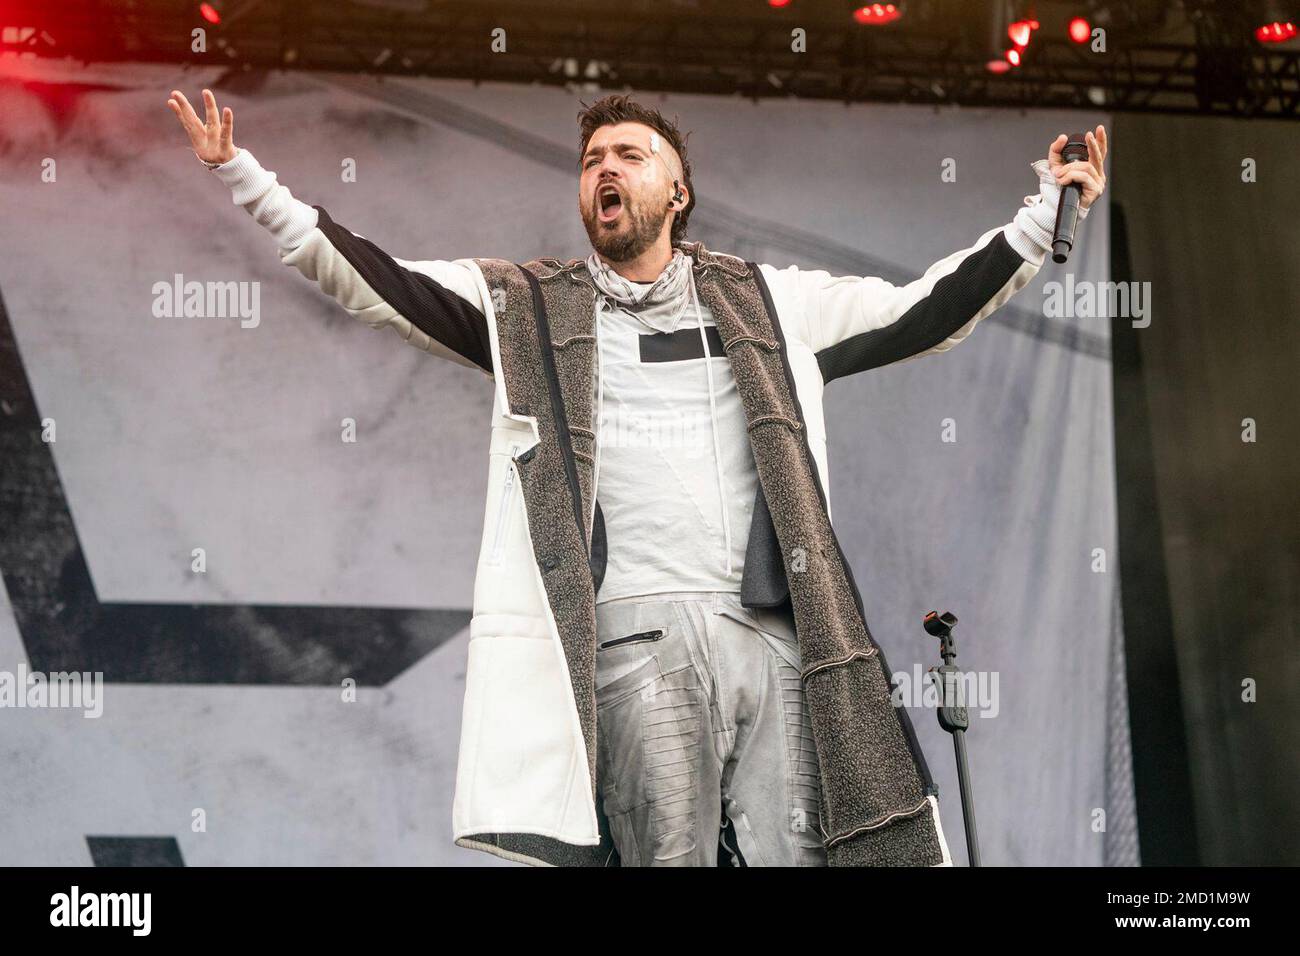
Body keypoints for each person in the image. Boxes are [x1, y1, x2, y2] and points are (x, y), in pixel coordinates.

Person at [167, 87, 1107, 867]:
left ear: (678, 190)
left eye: (628, 154)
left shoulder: (772, 304)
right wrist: (245, 178)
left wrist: (1039, 215)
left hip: (773, 640)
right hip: (634, 640)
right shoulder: (530, 310)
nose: (605, 169)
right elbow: (378, 281)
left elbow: (924, 310)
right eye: (591, 161)